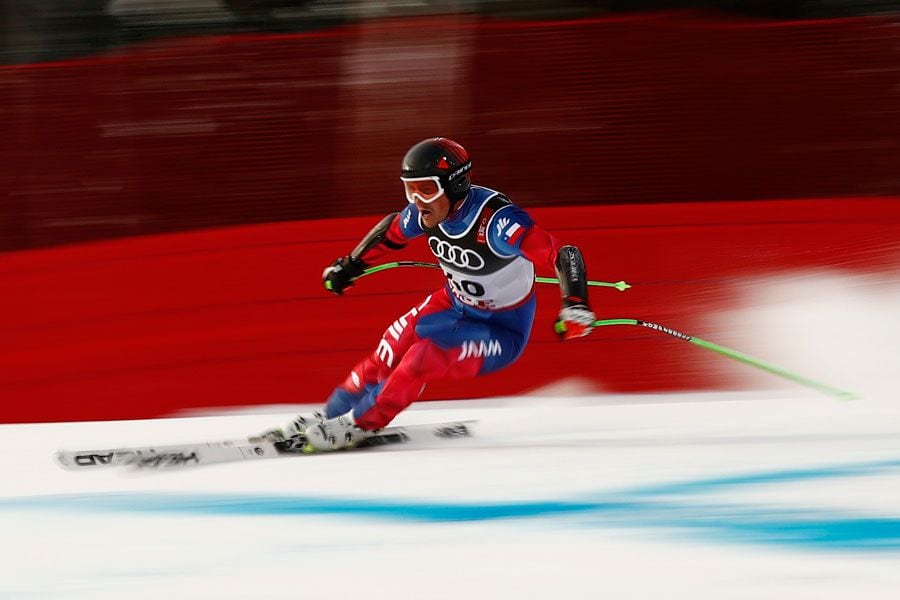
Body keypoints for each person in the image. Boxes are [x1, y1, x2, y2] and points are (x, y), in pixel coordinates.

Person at [290, 137, 596, 451]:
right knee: (389, 349)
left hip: (501, 330)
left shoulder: (495, 222)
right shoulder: (427, 213)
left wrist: (575, 304)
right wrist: (350, 264)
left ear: (456, 185)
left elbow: (563, 253)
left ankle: (359, 423)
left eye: (427, 189)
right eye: (411, 189)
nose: (417, 200)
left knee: (422, 358)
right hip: (452, 304)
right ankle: (331, 414)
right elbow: (392, 230)